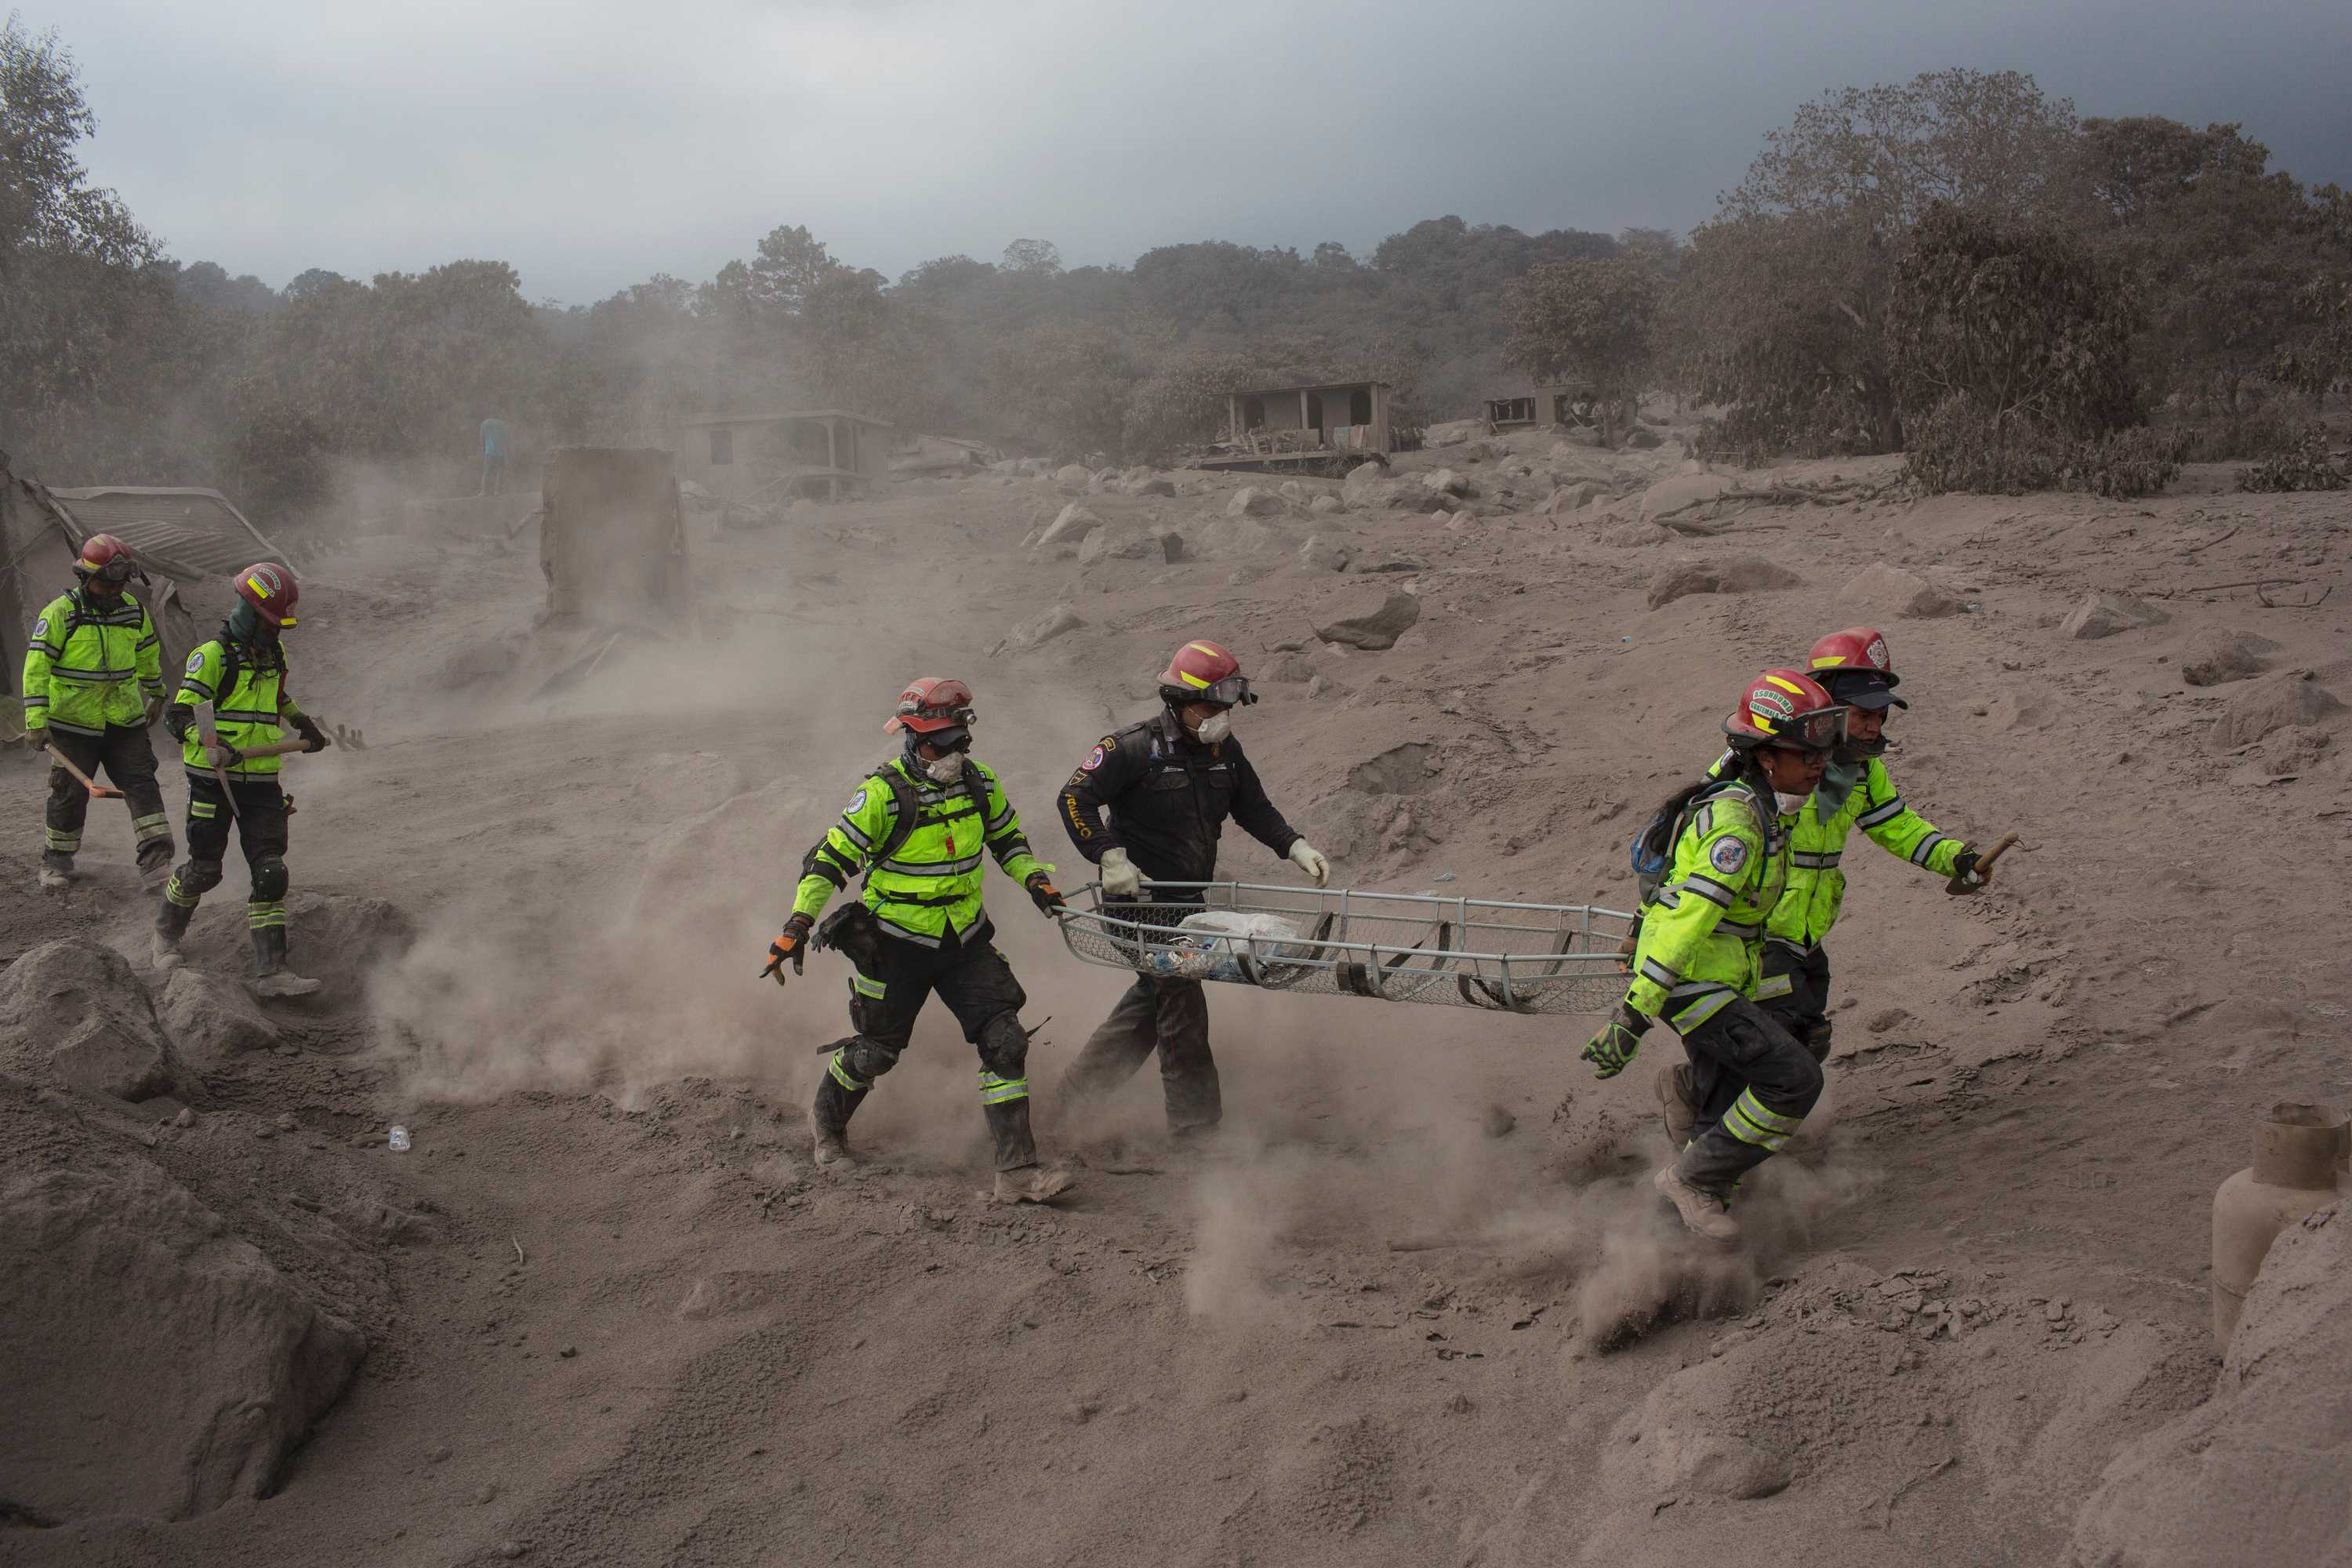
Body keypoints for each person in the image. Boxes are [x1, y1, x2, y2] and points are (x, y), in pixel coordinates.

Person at [1652, 628, 1992, 1147]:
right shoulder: (1763, 758)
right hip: (1753, 936)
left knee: (1806, 1039)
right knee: (1770, 1043)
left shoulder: (1861, 770)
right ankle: (1707, 1164)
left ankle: (1696, 1101)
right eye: (1863, 714)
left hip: (1807, 932)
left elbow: (1896, 825)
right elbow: (1684, 836)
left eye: (1881, 715)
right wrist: (1648, 921)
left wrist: (1955, 858)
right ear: (1828, 705)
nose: (1874, 725)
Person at [769, 677, 1073, 1204]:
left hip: (965, 940)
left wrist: (1035, 881)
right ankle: (828, 1128)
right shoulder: (882, 796)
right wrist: (796, 926)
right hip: (894, 945)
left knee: (1005, 1041)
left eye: (958, 741)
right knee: (879, 1051)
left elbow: (1008, 841)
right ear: (912, 738)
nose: (950, 752)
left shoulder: (981, 783)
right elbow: (829, 862)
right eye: (938, 743)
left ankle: (1017, 1173)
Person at [1583, 669, 1845, 1243]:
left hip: (1723, 979)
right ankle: (1690, 1181)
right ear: (1767, 756)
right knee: (1795, 1080)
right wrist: (1632, 1016)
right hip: (1694, 984)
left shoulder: (1762, 806)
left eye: (1824, 750)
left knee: (1722, 1103)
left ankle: (1666, 1243)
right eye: (1807, 752)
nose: (1821, 763)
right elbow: (1683, 922)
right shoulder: (1739, 825)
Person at [1054, 640, 1330, 1138]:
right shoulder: (1131, 749)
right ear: (1177, 701)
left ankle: (1070, 1103)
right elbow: (1074, 797)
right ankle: (1196, 1133)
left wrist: (1294, 846)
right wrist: (1108, 856)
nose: (1219, 717)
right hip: (1136, 907)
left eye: (1226, 708)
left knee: (1151, 1003)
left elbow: (1254, 807)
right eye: (1209, 706)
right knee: (1181, 1001)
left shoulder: (1225, 751)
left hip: (1186, 906)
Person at [151, 563, 332, 996]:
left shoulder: (275, 656)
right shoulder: (211, 657)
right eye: (273, 623)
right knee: (205, 870)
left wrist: (302, 723)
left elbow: (277, 695)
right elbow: (178, 717)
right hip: (214, 780)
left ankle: (273, 972)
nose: (278, 632)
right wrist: (210, 743)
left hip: (262, 781)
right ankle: (164, 936)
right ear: (249, 612)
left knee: (270, 873)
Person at [20, 535, 173, 891]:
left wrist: (156, 694)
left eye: (121, 583)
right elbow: (36, 668)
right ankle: (56, 863)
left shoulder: (134, 611)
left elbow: (148, 654)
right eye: (108, 583)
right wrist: (36, 723)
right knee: (69, 792)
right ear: (86, 578)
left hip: (124, 719)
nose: (115, 590)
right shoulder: (61, 614)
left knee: (142, 785)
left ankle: (157, 864)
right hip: (72, 723)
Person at [479, 416, 509, 496]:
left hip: (489, 451)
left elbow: (482, 439)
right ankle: (497, 491)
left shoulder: (485, 423)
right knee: (500, 471)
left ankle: (484, 491)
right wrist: (505, 453)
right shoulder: (502, 424)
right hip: (500, 452)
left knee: (487, 471)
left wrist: (483, 450)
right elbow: (505, 440)